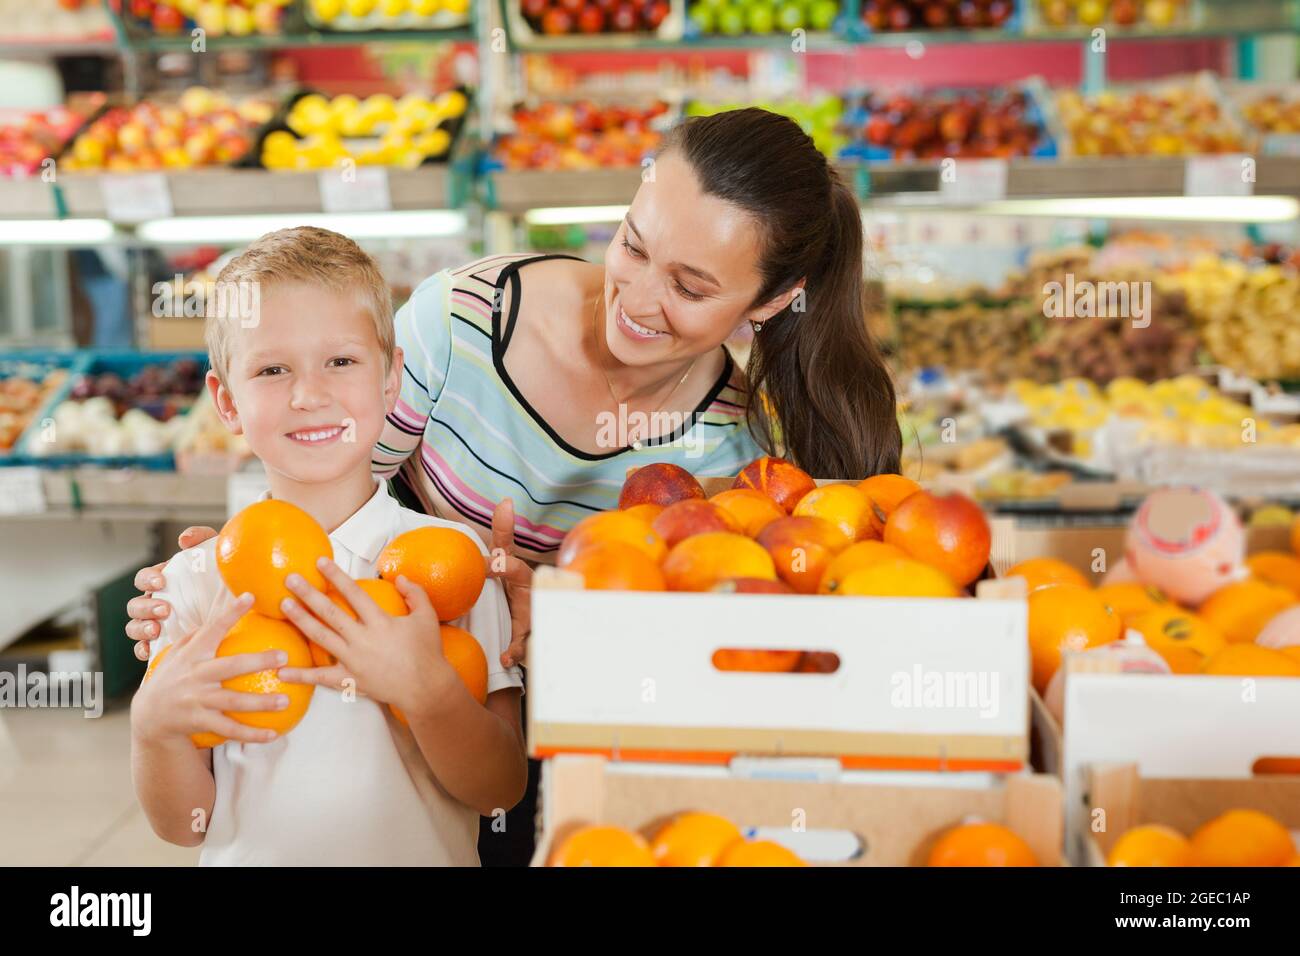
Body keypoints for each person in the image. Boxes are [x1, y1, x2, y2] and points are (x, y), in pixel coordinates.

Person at [126, 108, 902, 864]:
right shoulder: (461, 324)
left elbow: (680, 667)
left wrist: (569, 623)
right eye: (632, 246)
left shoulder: (733, 456)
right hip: (422, 696)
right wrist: (244, 555)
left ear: (769, 301)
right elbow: (335, 467)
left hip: (551, 743)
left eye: (690, 288)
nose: (633, 300)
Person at [130, 227, 527, 865]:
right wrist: (152, 729)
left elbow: (500, 792)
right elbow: (184, 825)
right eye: (271, 368)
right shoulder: (194, 582)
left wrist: (428, 693)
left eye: (340, 361)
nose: (309, 394)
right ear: (226, 402)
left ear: (392, 379)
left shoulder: (452, 566)